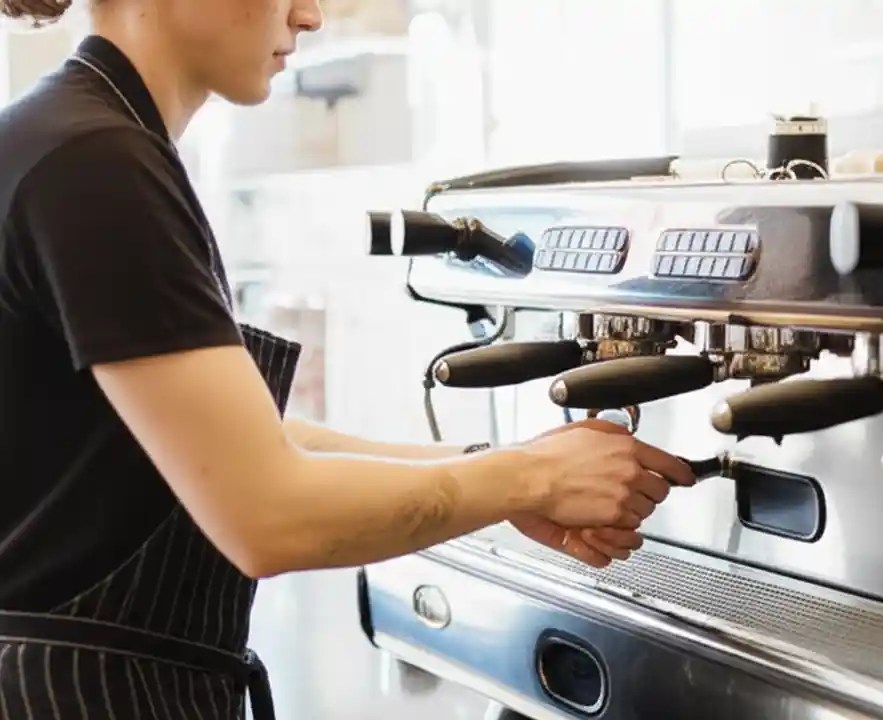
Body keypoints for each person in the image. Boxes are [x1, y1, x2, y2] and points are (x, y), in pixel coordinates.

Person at [0, 0, 697, 718]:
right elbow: (269, 515)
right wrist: (527, 478)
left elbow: (234, 446)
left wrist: (498, 463)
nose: (310, 14)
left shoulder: (71, 137)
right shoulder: (97, 165)